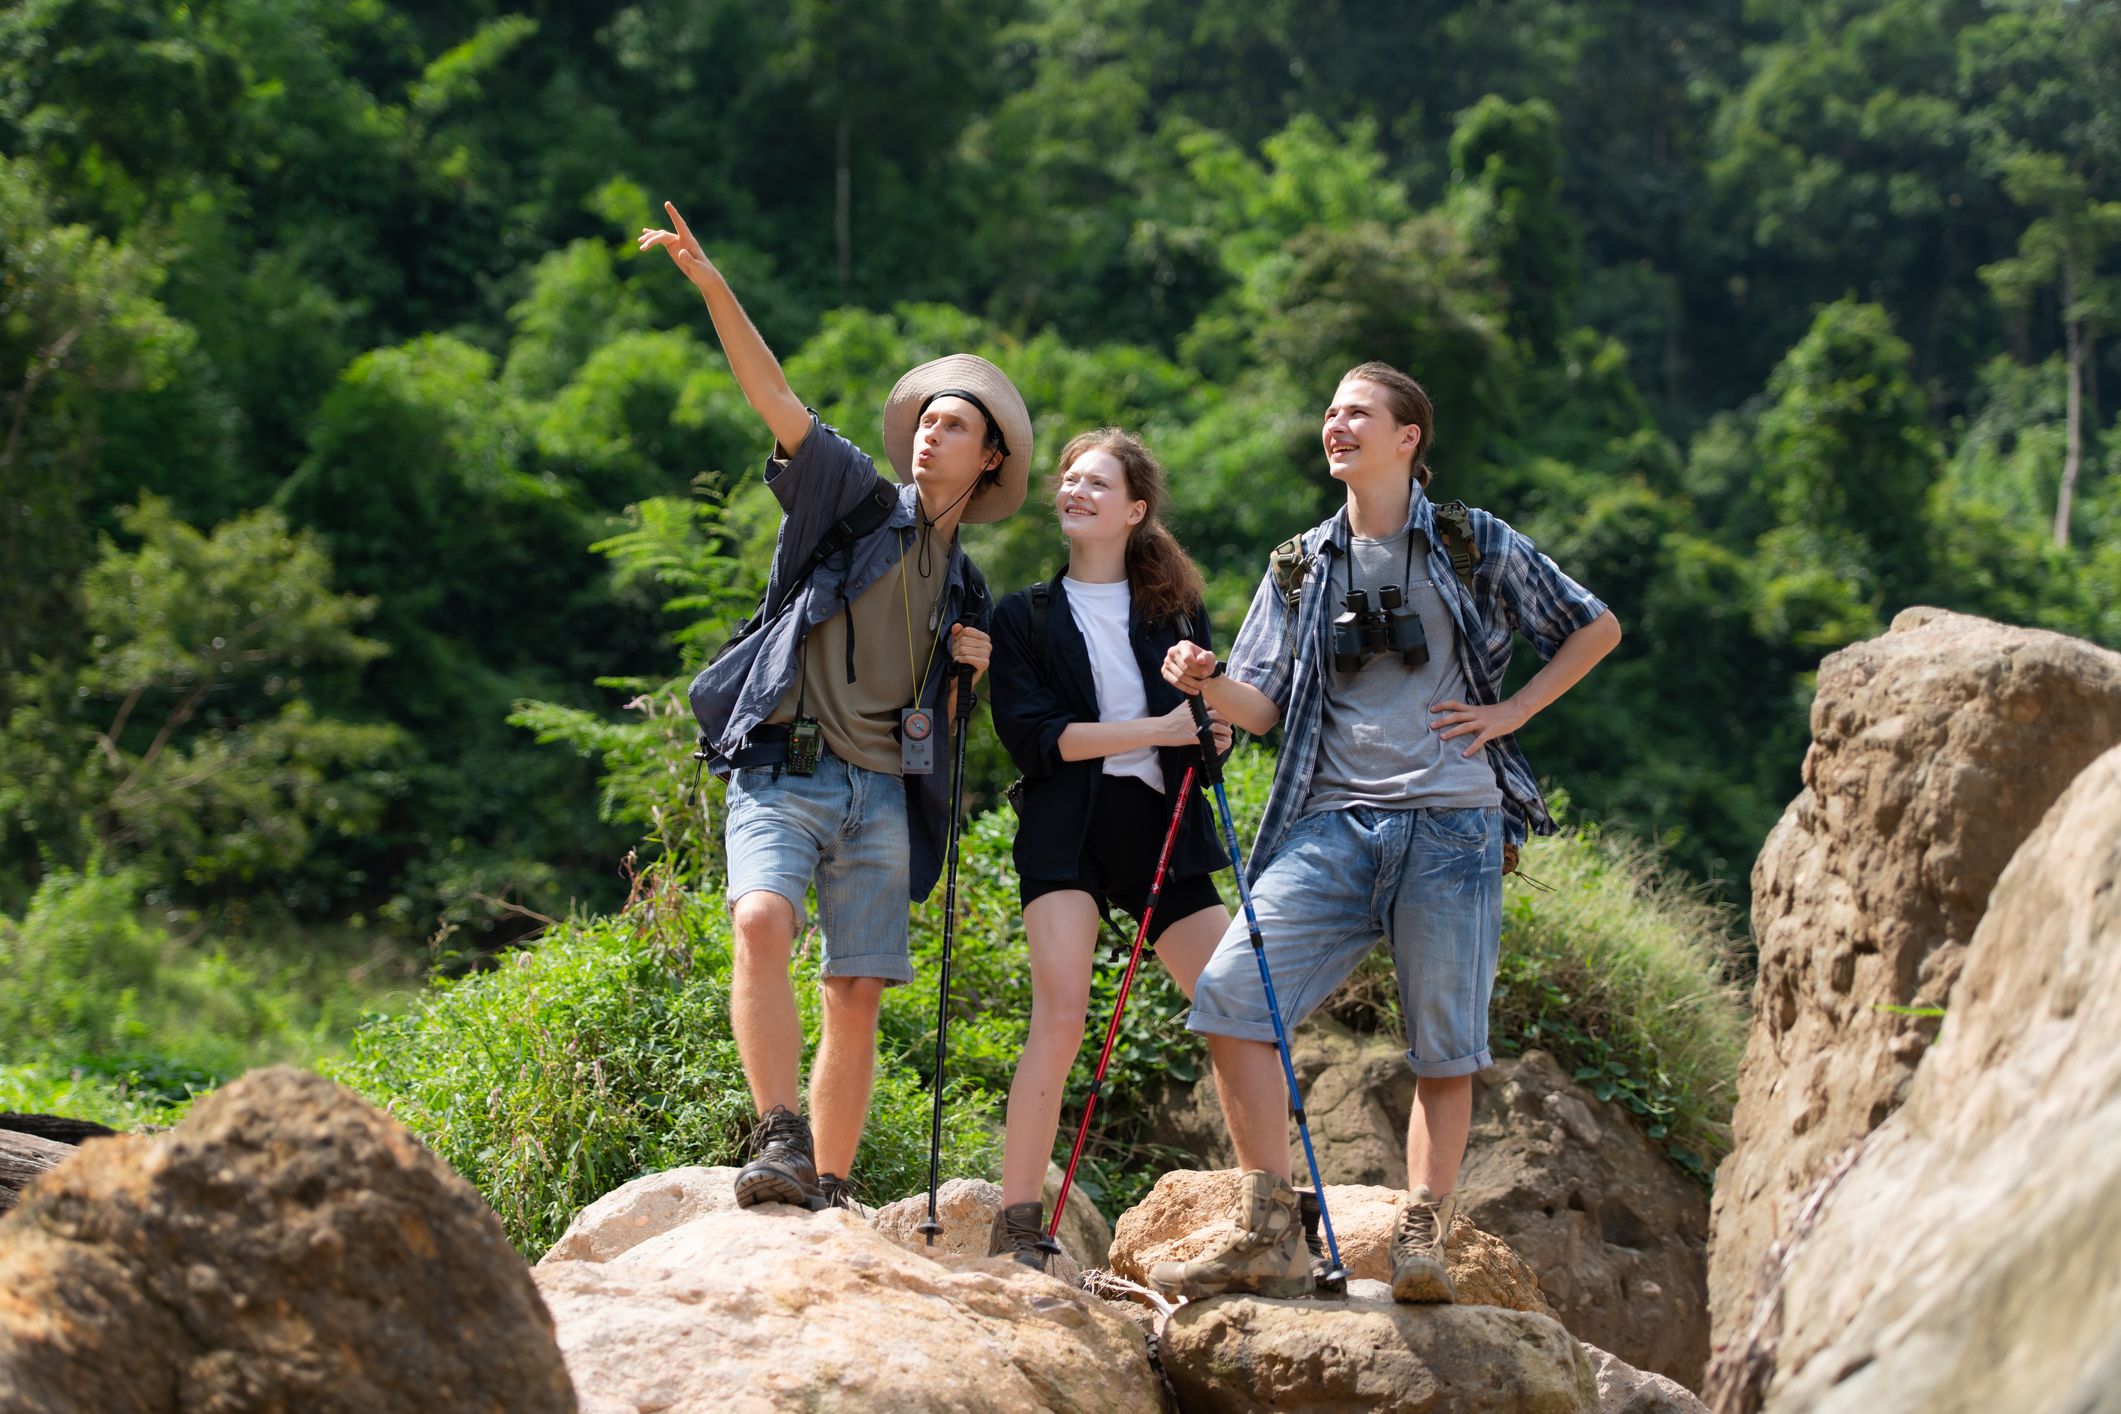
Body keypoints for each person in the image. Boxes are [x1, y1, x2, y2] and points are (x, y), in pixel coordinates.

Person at [1153, 361, 1621, 1302]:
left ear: (1407, 437)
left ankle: (1420, 1235)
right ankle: (1268, 1227)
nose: (1336, 424)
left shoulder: (1471, 540)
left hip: (1452, 824)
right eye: (1330, 412)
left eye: (1357, 412)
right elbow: (1259, 707)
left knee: (1445, 1048)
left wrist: (1511, 712)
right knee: (1231, 996)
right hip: (1331, 824)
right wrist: (1205, 680)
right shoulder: (1298, 564)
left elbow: (1593, 627)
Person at [641, 202, 1031, 1212]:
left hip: (882, 793)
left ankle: (829, 1181)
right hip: (787, 762)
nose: (931, 434)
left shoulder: (967, 588)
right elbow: (772, 394)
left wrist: (969, 671)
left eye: (955, 426)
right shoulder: (850, 493)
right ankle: (779, 1132)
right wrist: (710, 282)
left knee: (856, 990)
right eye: (927, 420)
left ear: (990, 458)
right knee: (760, 920)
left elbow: (939, 722)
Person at [984, 430, 1233, 1269]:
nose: (1074, 491)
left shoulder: (1175, 614)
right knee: (1059, 1014)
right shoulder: (1021, 615)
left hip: (1162, 828)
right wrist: (1159, 729)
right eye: (1068, 479)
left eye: (1096, 482)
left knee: (1237, 1004)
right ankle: (1019, 1221)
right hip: (1066, 830)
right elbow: (1036, 740)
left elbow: (1207, 730)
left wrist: (1214, 737)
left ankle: (1267, 1197)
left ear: (1134, 509)